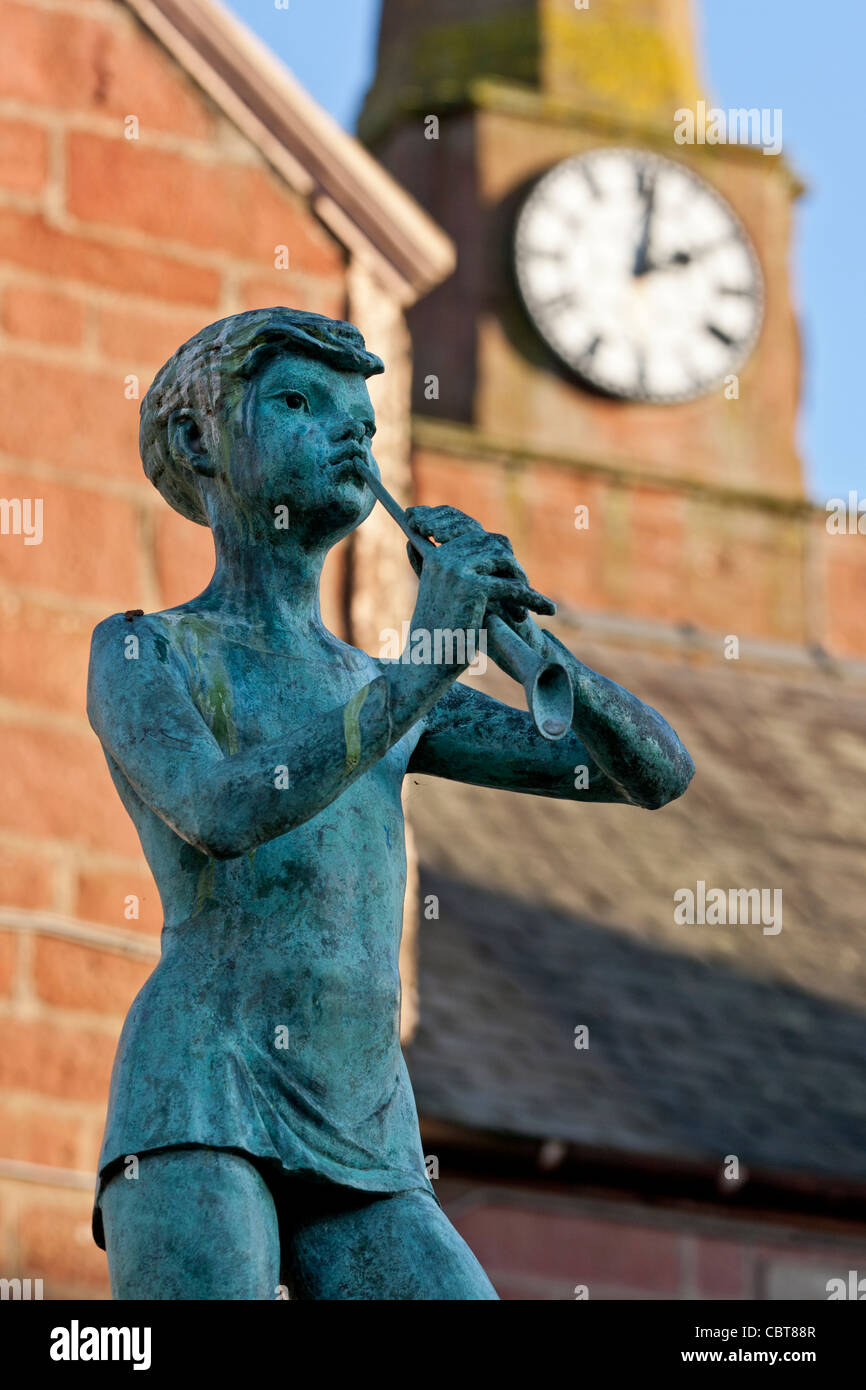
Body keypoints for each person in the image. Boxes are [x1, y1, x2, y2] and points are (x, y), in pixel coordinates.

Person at [87, 308, 694, 1300]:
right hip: (199, 1089)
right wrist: (421, 667)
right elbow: (222, 808)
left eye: (362, 423)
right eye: (297, 403)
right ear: (201, 443)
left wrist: (508, 638)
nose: (349, 435)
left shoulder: (382, 684)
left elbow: (653, 772)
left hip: (364, 1118)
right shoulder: (146, 651)